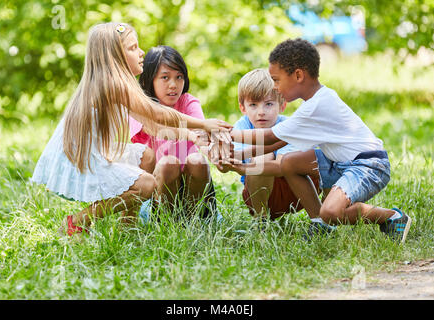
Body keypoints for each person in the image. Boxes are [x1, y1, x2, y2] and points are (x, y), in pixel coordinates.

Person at [30, 22, 231, 236]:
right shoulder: (111, 83)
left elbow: (153, 126)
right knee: (146, 184)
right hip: (82, 155)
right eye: (133, 48)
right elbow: (158, 114)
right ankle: (77, 221)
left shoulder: (117, 83)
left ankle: (129, 225)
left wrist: (191, 134)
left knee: (146, 155)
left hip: (94, 149)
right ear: (114, 56)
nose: (141, 52)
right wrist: (203, 124)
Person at [228, 38, 411, 243]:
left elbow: (269, 137)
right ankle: (319, 222)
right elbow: (276, 143)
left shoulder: (317, 106)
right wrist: (236, 156)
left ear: (298, 76)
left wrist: (227, 134)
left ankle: (391, 216)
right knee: (290, 162)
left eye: (277, 80)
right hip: (340, 163)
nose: (276, 88)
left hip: (367, 165)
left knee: (332, 213)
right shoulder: (314, 103)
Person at [217, 68, 319, 220]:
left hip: (295, 190)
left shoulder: (288, 126)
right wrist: (223, 160)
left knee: (326, 157)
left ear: (282, 105)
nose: (261, 112)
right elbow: (232, 164)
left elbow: (281, 167)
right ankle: (261, 220)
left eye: (269, 104)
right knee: (261, 158)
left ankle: (323, 217)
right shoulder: (242, 126)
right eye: (253, 105)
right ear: (242, 108)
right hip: (257, 192)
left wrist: (239, 165)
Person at [130, 45, 217, 219]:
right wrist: (189, 134)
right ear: (148, 80)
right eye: (165, 77)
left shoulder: (188, 102)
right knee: (168, 163)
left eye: (179, 77)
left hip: (192, 186)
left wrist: (214, 149)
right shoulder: (139, 106)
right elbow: (157, 129)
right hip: (156, 188)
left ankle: (193, 220)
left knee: (197, 160)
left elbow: (201, 133)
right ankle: (167, 222)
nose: (173, 85)